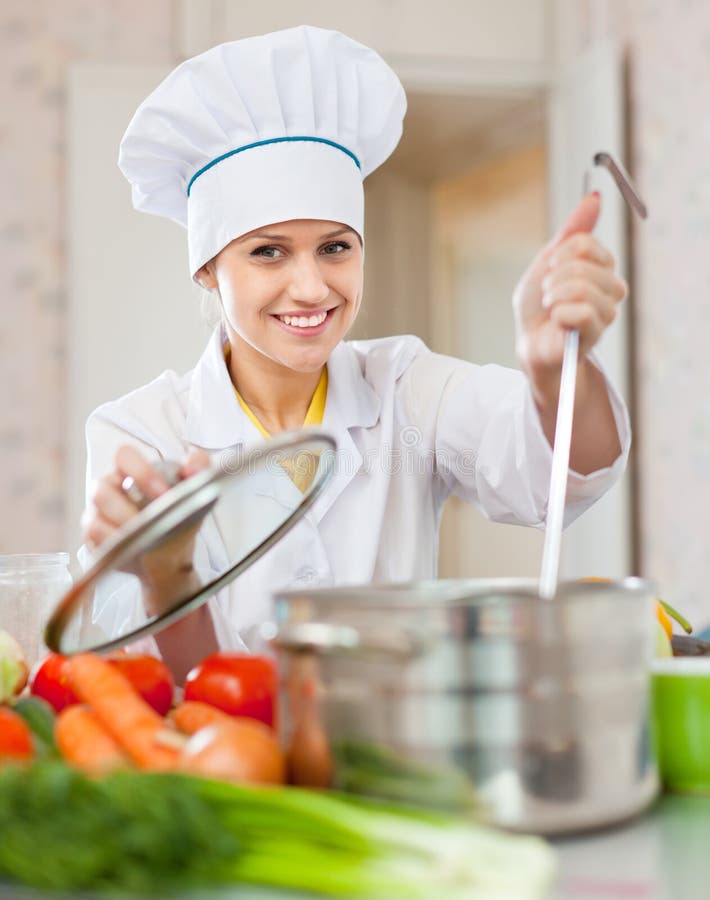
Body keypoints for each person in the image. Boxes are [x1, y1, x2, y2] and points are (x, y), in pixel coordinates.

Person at [80, 25, 629, 680]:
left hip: (395, 739)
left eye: (335, 247)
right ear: (206, 268)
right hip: (226, 740)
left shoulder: (406, 388)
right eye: (268, 252)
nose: (312, 287)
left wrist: (552, 371)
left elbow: (558, 472)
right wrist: (167, 575)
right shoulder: (141, 433)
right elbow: (159, 677)